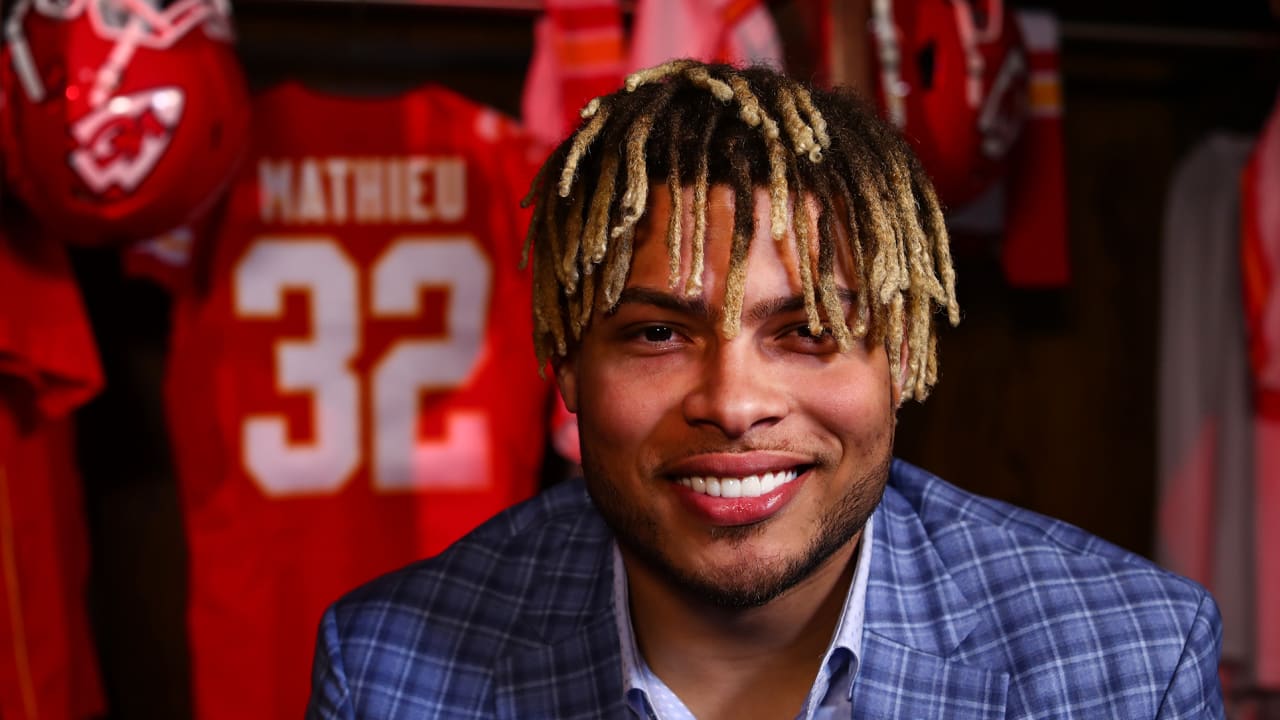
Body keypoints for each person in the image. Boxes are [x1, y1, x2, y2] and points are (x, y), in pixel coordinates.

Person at [306, 59, 1224, 719]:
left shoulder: (1129, 665)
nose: (736, 403)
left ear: (902, 358)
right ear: (563, 367)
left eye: (808, 331)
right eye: (659, 333)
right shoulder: (390, 671)